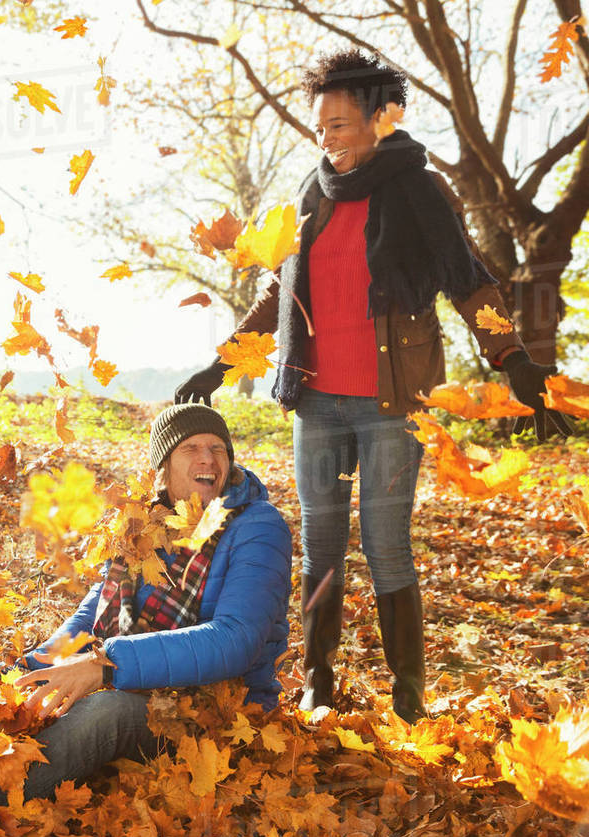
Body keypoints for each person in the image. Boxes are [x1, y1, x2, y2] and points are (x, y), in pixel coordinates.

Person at [175, 49, 571, 724]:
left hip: (393, 405)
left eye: (338, 123)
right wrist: (226, 360)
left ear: (376, 121)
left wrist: (513, 357)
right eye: (319, 126)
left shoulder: (416, 190)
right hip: (317, 404)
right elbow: (283, 288)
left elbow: (467, 276)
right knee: (322, 546)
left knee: (387, 544)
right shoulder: (311, 194)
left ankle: (409, 693)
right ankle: (318, 682)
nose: (325, 138)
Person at [0, 404, 291, 803]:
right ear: (163, 468)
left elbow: (236, 640)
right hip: (138, 683)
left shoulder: (258, 526)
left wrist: (107, 667)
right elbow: (95, 611)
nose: (207, 458)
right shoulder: (145, 522)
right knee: (19, 695)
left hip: (212, 714)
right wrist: (37, 664)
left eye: (218, 448)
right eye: (191, 448)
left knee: (103, 716)